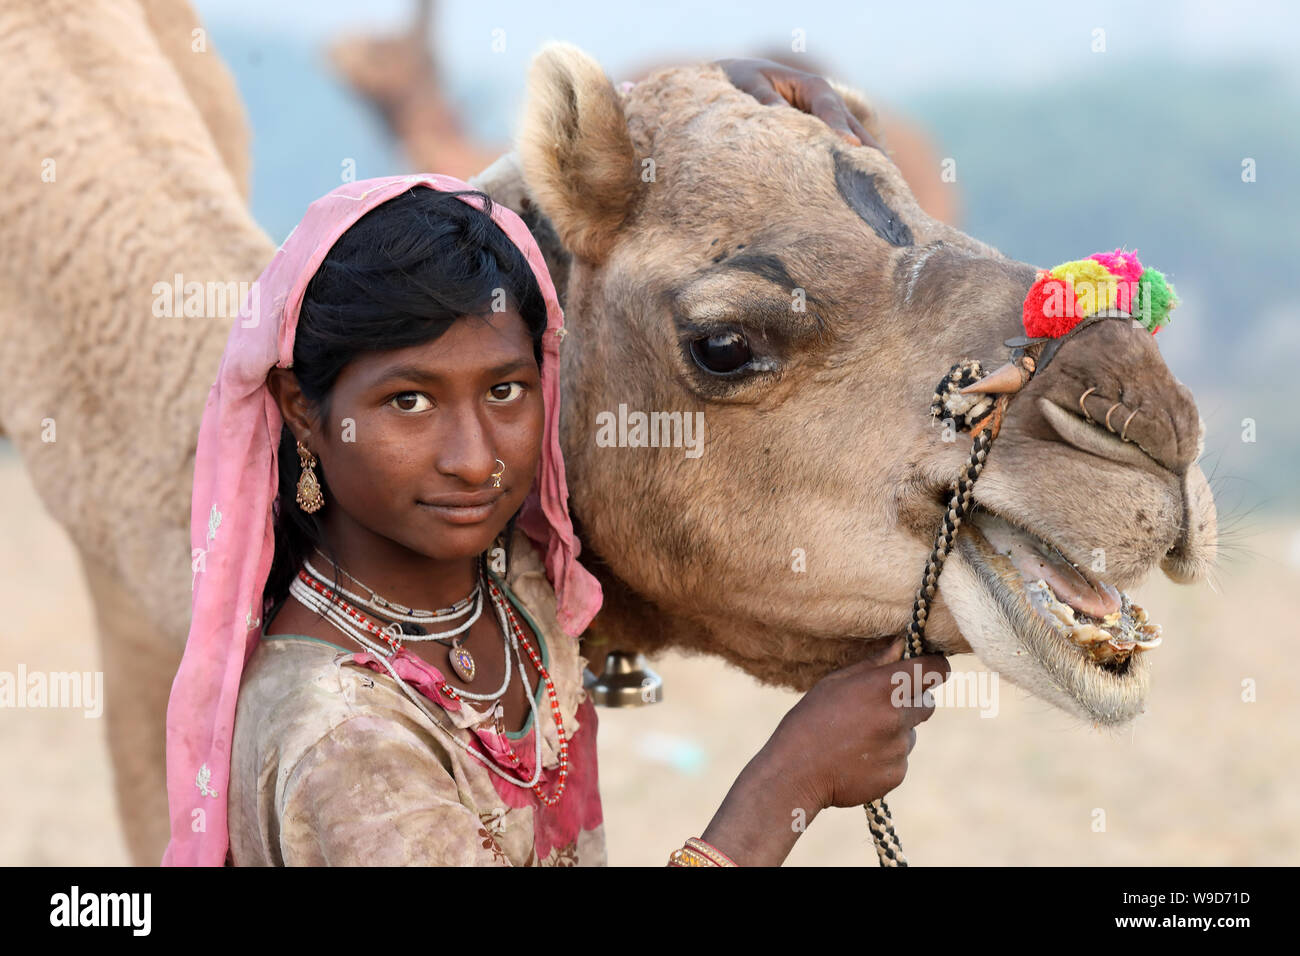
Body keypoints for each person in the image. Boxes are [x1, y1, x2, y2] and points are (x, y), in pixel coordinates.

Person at [161, 61, 949, 868]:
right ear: (302, 408)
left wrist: (701, 96)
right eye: (408, 402)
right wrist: (788, 784)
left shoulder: (510, 589)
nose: (474, 461)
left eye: (505, 389)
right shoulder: (348, 743)